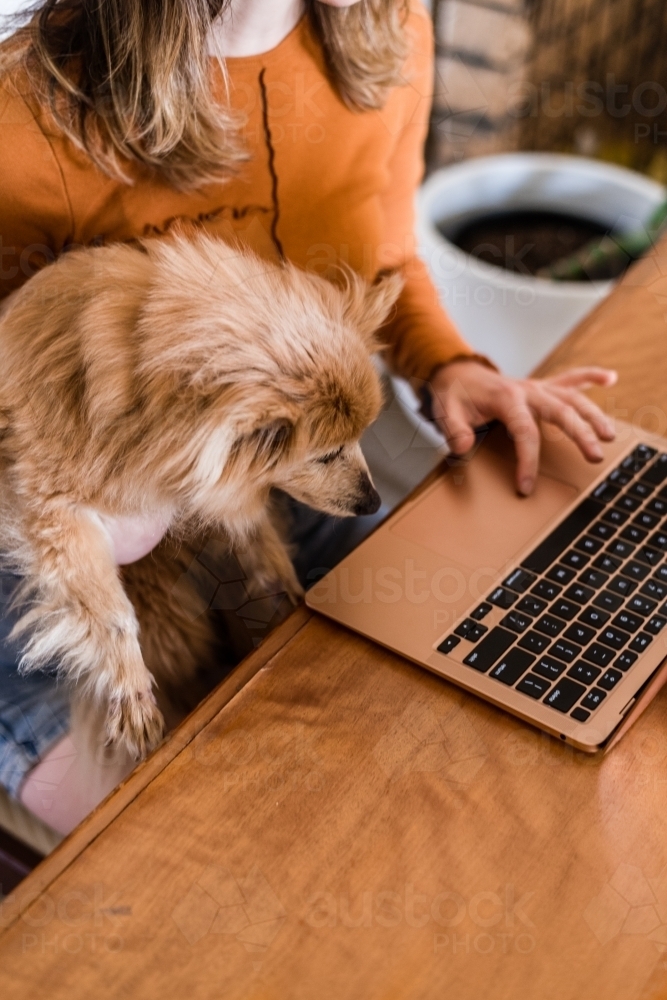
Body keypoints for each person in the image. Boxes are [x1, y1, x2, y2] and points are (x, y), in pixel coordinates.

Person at [0, 0, 616, 834]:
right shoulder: (31, 100)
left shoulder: (384, 26)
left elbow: (384, 254)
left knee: (471, 702)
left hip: (274, 477)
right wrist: (113, 517)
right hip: (53, 537)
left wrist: (448, 366)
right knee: (203, 836)